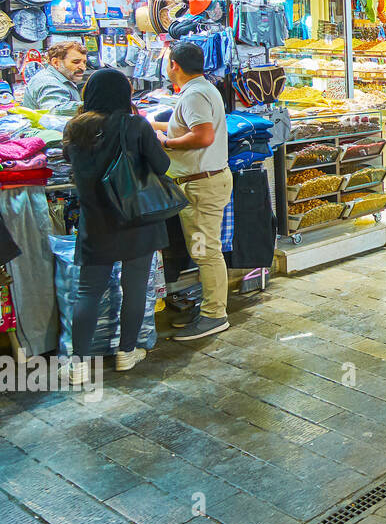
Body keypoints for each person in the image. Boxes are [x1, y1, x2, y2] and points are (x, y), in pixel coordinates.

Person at [62, 69, 171, 384]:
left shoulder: (76, 129)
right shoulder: (135, 125)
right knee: (134, 288)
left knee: (88, 292)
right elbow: (162, 166)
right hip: (136, 218)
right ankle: (126, 352)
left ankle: (79, 365)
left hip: (95, 221)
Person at [156, 40, 231, 341]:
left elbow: (202, 136)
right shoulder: (201, 89)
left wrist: (166, 143)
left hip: (201, 187)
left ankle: (214, 315)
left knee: (205, 252)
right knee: (203, 251)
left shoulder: (196, 94)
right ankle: (209, 307)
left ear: (174, 65)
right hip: (202, 184)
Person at [22, 41, 86, 114]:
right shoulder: (48, 81)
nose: (83, 68)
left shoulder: (60, 78)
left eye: (84, 62)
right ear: (56, 63)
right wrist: (93, 105)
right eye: (76, 62)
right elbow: (55, 112)